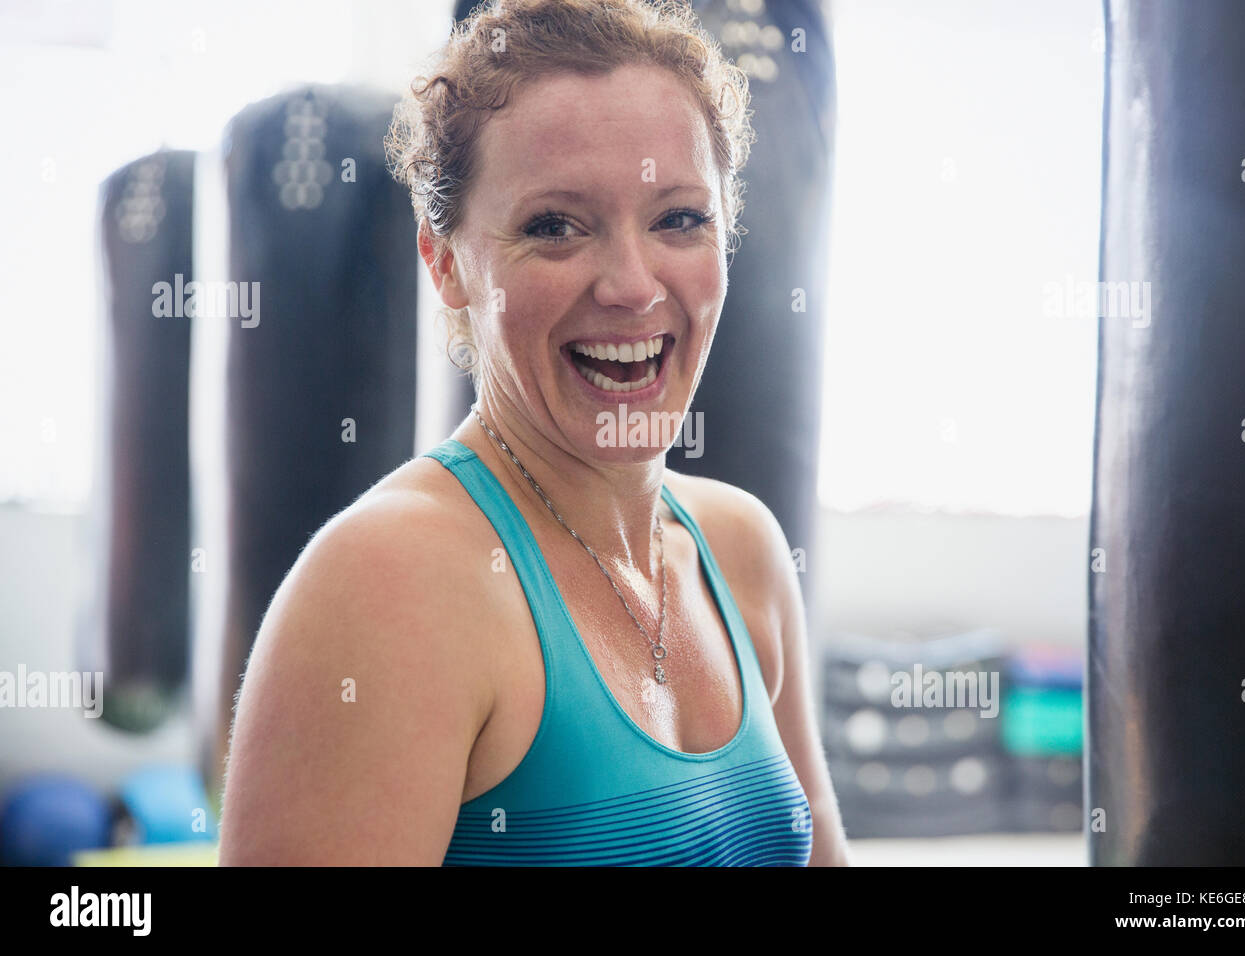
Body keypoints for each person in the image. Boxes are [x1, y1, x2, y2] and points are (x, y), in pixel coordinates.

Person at [218, 0, 851, 866]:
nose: (633, 286)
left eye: (679, 218)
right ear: (444, 262)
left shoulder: (742, 551)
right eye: (555, 226)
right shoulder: (387, 586)